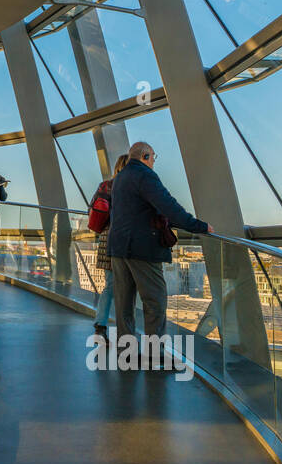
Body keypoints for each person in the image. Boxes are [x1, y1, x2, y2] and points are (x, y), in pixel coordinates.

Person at [107, 141, 210, 358]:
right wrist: (199, 226)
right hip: (142, 248)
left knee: (124, 302)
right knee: (155, 302)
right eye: (153, 156)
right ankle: (155, 357)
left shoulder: (120, 178)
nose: (154, 161)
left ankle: (126, 351)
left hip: (118, 247)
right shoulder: (145, 176)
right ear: (145, 156)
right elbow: (168, 206)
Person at [89, 154, 129, 343]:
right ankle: (126, 330)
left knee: (110, 286)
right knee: (127, 287)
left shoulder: (106, 185)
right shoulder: (130, 186)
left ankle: (100, 325)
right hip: (124, 240)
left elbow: (92, 207)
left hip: (106, 238)